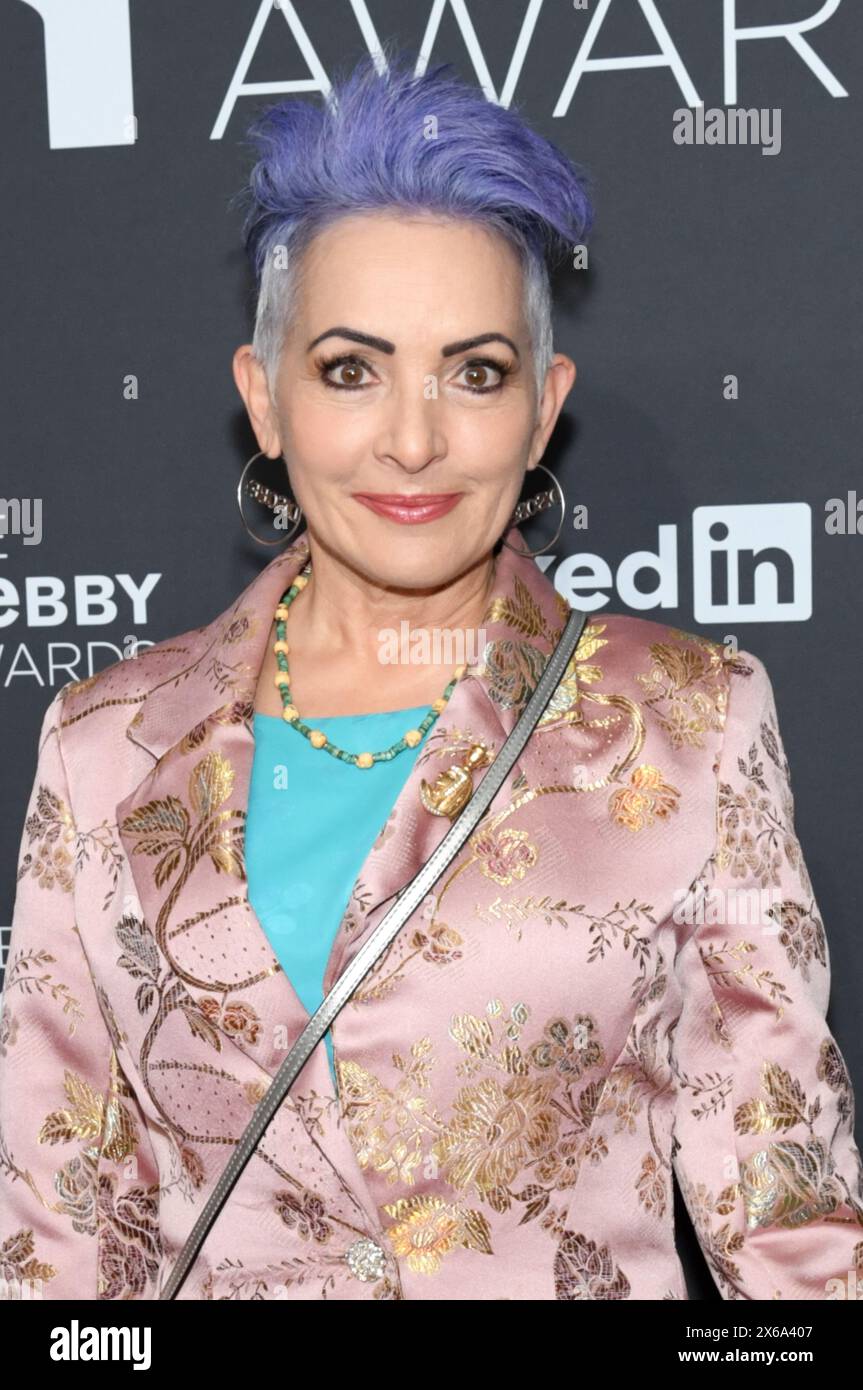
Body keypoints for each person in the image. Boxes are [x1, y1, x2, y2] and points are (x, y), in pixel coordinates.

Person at [1, 52, 860, 1303]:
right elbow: (51, 1238)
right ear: (266, 399)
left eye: (474, 372)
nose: (412, 438)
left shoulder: (686, 721)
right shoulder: (102, 745)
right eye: (350, 370)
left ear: (541, 407)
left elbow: (790, 1236)